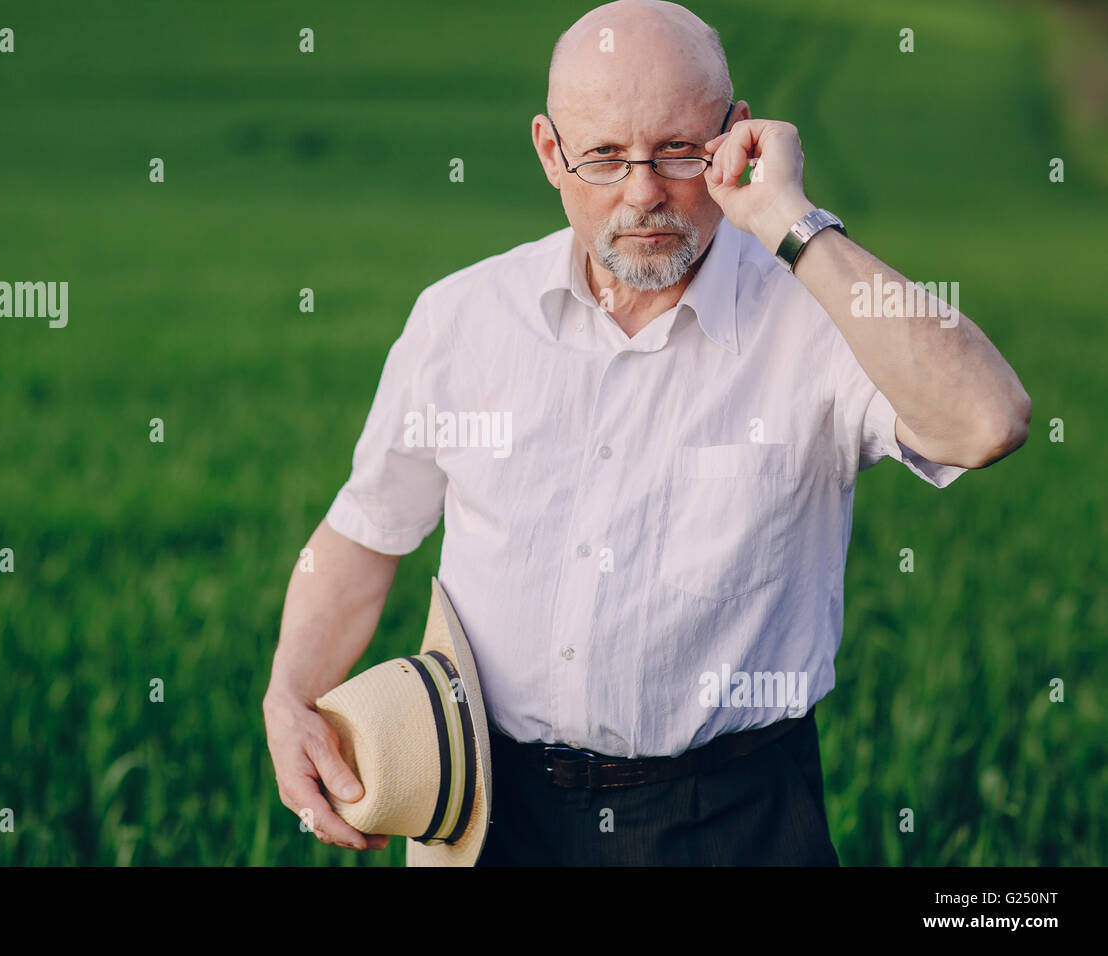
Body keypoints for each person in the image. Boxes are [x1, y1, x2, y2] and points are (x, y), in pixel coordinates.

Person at [263, 0, 1031, 864]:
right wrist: (290, 693)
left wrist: (790, 220)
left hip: (737, 818)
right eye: (603, 156)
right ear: (551, 153)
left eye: (679, 150)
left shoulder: (817, 318)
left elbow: (987, 421)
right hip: (488, 817)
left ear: (738, 135)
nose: (644, 193)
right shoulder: (460, 319)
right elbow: (365, 534)